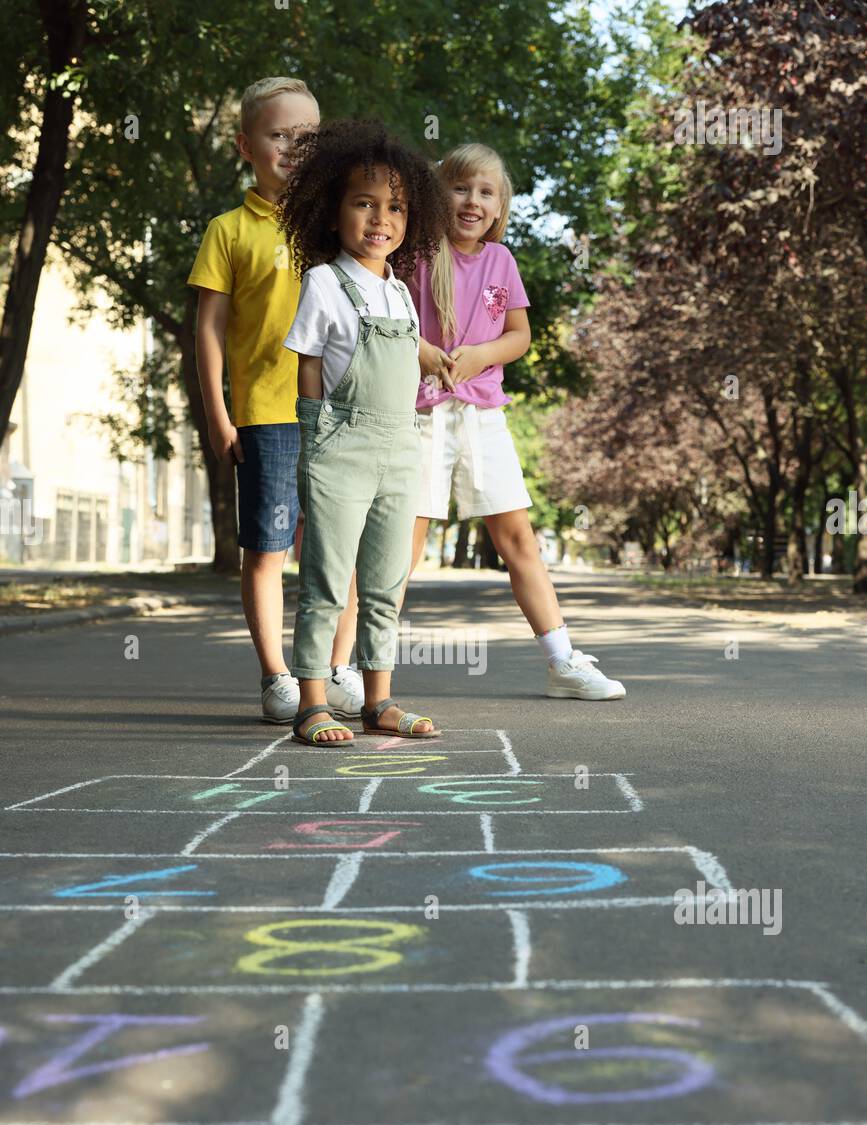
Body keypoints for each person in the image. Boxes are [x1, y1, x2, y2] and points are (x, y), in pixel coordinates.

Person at [403, 143, 626, 700]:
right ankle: (356, 667)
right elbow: (390, 323)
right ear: (437, 196)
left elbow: (520, 335)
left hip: (482, 417)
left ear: (500, 207)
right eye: (459, 188)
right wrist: (427, 351)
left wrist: (481, 355)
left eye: (485, 193)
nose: (471, 201)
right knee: (402, 546)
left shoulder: (502, 261)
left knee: (518, 539)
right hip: (421, 413)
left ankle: (562, 661)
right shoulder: (415, 253)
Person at [187, 77, 365, 725]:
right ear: (245, 145)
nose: (293, 146)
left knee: (335, 549)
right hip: (265, 414)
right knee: (266, 548)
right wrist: (217, 413)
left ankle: (337, 665)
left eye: (306, 137)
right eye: (278, 134)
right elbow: (208, 328)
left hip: (341, 416)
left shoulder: (339, 224)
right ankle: (277, 675)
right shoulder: (228, 231)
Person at [276, 119, 450, 745]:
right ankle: (312, 701)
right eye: (365, 203)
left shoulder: (401, 291)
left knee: (385, 584)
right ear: (333, 211)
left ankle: (379, 700)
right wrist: (315, 434)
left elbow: (407, 354)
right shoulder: (325, 281)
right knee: (326, 578)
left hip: (400, 449)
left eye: (396, 207)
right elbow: (310, 361)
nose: (381, 219)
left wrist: (433, 357)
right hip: (340, 446)